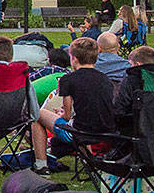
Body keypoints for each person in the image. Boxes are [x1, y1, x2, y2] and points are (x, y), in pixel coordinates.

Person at [28, 36, 114, 174]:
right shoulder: (105, 79)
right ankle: (89, 161)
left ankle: (41, 165)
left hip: (79, 134)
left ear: (74, 58)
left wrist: (63, 114)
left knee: (38, 115)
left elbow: (67, 115)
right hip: (105, 132)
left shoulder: (67, 79)